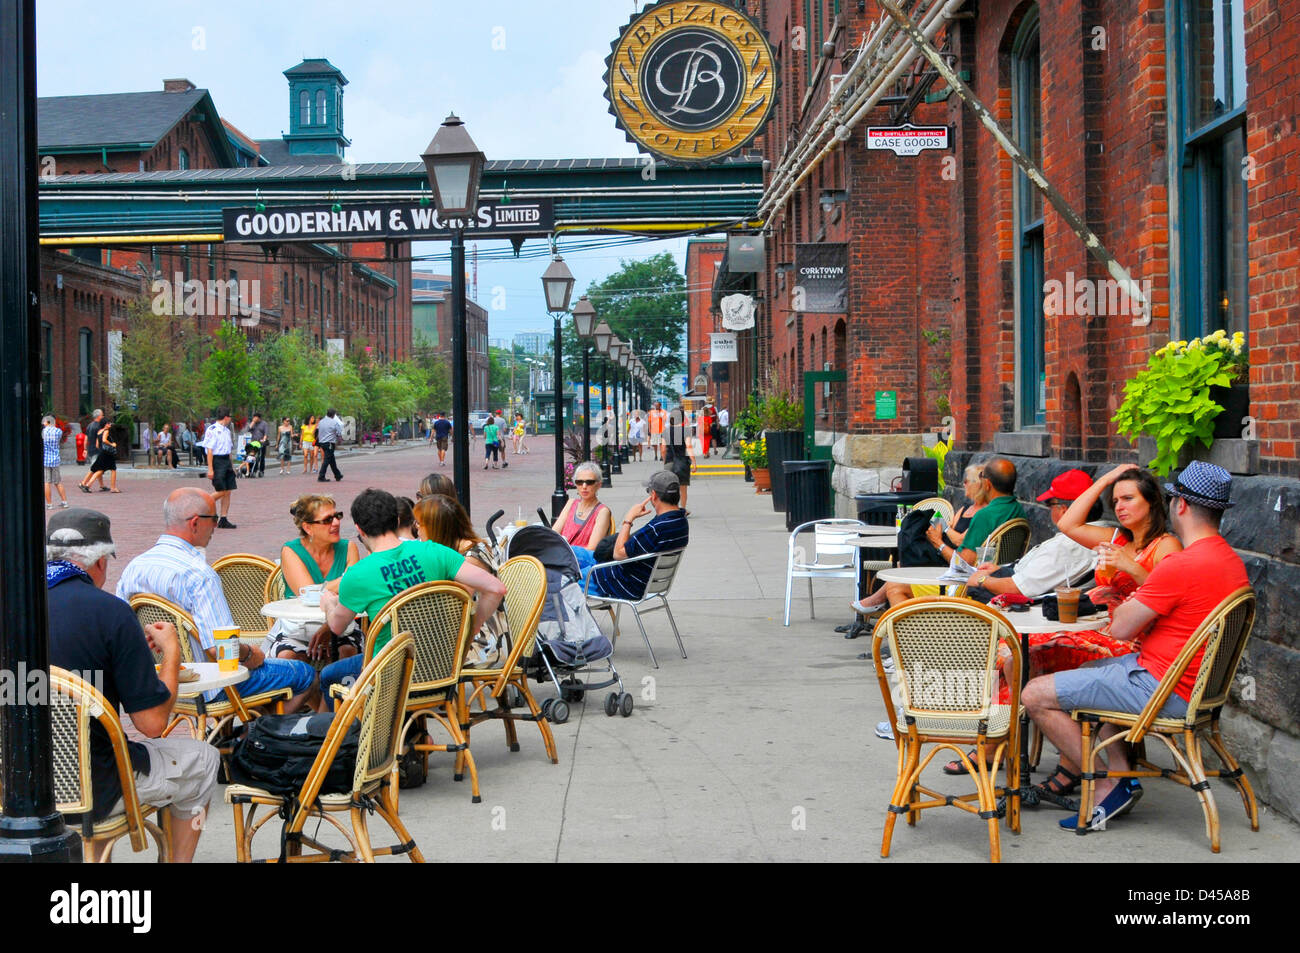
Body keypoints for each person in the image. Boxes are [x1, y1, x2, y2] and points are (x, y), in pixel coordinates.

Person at [1022, 461, 1247, 831]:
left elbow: (1123, 629)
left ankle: (1108, 783)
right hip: (1189, 684)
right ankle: (1119, 776)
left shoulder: (1179, 562)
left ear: (1181, 506)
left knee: (1034, 693)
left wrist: (1122, 590)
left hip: (1161, 687)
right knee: (1087, 671)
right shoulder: (1230, 561)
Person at [45, 508, 220, 862]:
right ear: (99, 562)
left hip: (19, 786)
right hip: (96, 786)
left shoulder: (14, 603)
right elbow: (153, 725)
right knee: (204, 758)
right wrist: (171, 653)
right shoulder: (110, 611)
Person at [115, 487, 318, 713]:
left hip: (162, 680)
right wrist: (252, 654)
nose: (215, 527)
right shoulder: (198, 574)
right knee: (304, 674)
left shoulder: (134, 567)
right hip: (211, 684)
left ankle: (243, 733)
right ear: (195, 523)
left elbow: (124, 630)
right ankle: (260, 737)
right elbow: (222, 649)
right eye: (214, 519)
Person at [315, 488, 506, 704]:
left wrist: (329, 603)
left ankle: (357, 735)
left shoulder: (358, 575)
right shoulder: (435, 552)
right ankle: (415, 731)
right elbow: (496, 588)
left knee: (329, 676)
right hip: (441, 670)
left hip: (389, 677)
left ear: (359, 529)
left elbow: (337, 627)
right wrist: (470, 629)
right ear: (397, 520)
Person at [876, 457, 1027, 610]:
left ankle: (920, 632)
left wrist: (938, 543)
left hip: (968, 588)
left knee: (895, 586)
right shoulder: (1018, 510)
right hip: (1000, 582)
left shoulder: (985, 515)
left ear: (987, 484)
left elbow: (964, 564)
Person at [851, 462, 990, 614]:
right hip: (944, 558)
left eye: (968, 481)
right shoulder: (965, 509)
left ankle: (881, 605)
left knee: (897, 580)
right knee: (901, 568)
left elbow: (959, 540)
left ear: (981, 485)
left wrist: (941, 531)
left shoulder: (983, 514)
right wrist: (942, 529)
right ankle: (877, 603)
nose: (964, 484)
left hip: (952, 567)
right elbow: (948, 530)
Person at [265, 493, 363, 664]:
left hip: (342, 627)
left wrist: (329, 627)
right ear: (308, 528)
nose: (336, 523)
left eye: (337, 516)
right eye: (327, 520)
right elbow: (309, 595)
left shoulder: (349, 548)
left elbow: (353, 594)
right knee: (289, 659)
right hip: (299, 630)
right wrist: (345, 581)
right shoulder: (291, 550)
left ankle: (341, 691)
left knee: (348, 654)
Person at [414, 493, 508, 666]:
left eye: (419, 524)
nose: (417, 530)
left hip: (481, 645)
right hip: (462, 638)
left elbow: (454, 608)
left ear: (435, 527)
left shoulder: (471, 557)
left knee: (409, 661)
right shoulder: (457, 550)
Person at [580, 470, 689, 599]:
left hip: (622, 582)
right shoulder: (680, 521)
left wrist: (629, 519)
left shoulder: (658, 528)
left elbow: (618, 554)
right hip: (642, 579)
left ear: (653, 495)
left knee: (562, 580)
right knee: (571, 553)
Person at [554, 462, 612, 553]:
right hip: (561, 558)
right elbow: (554, 534)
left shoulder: (602, 512)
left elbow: (591, 550)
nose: (584, 486)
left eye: (589, 482)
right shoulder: (571, 503)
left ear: (598, 485)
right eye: (579, 482)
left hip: (581, 563)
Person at [200, 408, 237, 528]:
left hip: (226, 460)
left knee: (228, 490)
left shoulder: (226, 431)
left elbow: (229, 449)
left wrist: (232, 466)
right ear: (226, 417)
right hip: (217, 461)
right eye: (230, 417)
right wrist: (210, 468)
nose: (230, 419)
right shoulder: (213, 430)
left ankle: (224, 518)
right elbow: (209, 450)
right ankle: (203, 505)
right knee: (221, 490)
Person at [661, 405, 696, 511]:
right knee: (683, 488)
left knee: (669, 487)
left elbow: (663, 449)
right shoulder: (686, 431)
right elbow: (689, 446)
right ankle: (683, 509)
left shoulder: (665, 431)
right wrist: (694, 461)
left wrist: (665, 461)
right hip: (682, 463)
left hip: (670, 462)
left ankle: (670, 509)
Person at [42, 415, 69, 510]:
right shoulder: (58, 431)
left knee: (46, 482)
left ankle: (49, 504)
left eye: (44, 422)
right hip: (55, 459)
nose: (43, 424)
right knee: (58, 482)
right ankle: (64, 501)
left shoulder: (44, 432)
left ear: (48, 422)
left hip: (46, 459)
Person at [316, 408, 344, 482]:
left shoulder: (321, 422)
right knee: (327, 460)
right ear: (334, 415)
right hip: (330, 443)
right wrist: (339, 438)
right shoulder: (334, 422)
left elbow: (318, 431)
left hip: (322, 443)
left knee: (331, 459)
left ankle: (337, 475)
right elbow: (339, 433)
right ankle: (321, 476)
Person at [248, 412, 269, 478]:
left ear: (259, 418)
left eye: (255, 417)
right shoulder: (253, 423)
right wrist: (253, 422)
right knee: (253, 457)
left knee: (261, 457)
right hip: (254, 443)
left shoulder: (264, 424)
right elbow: (248, 429)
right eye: (253, 417)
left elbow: (266, 433)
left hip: (261, 442)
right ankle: (252, 470)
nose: (254, 419)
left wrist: (264, 439)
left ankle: (261, 471)